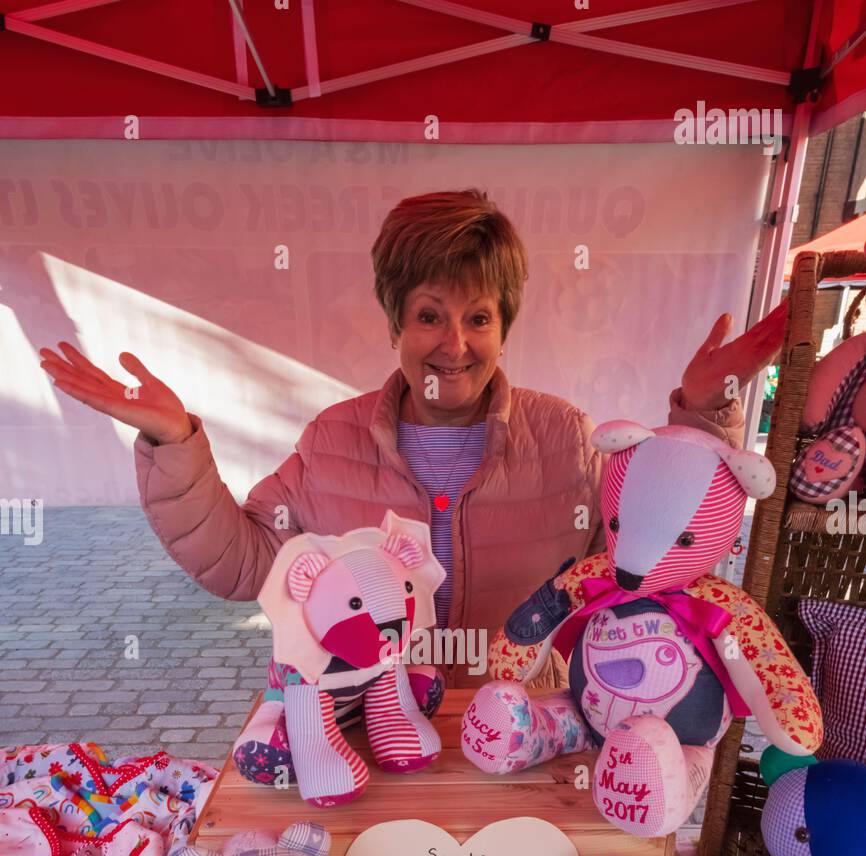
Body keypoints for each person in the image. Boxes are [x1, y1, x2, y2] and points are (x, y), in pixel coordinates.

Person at [40, 189, 785, 782]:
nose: (454, 345)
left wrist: (701, 415)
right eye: (429, 315)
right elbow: (242, 564)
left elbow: (661, 556)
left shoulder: (565, 438)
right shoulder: (332, 440)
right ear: (394, 321)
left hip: (532, 739)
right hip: (372, 740)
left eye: (479, 318)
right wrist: (175, 443)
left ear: (505, 327)